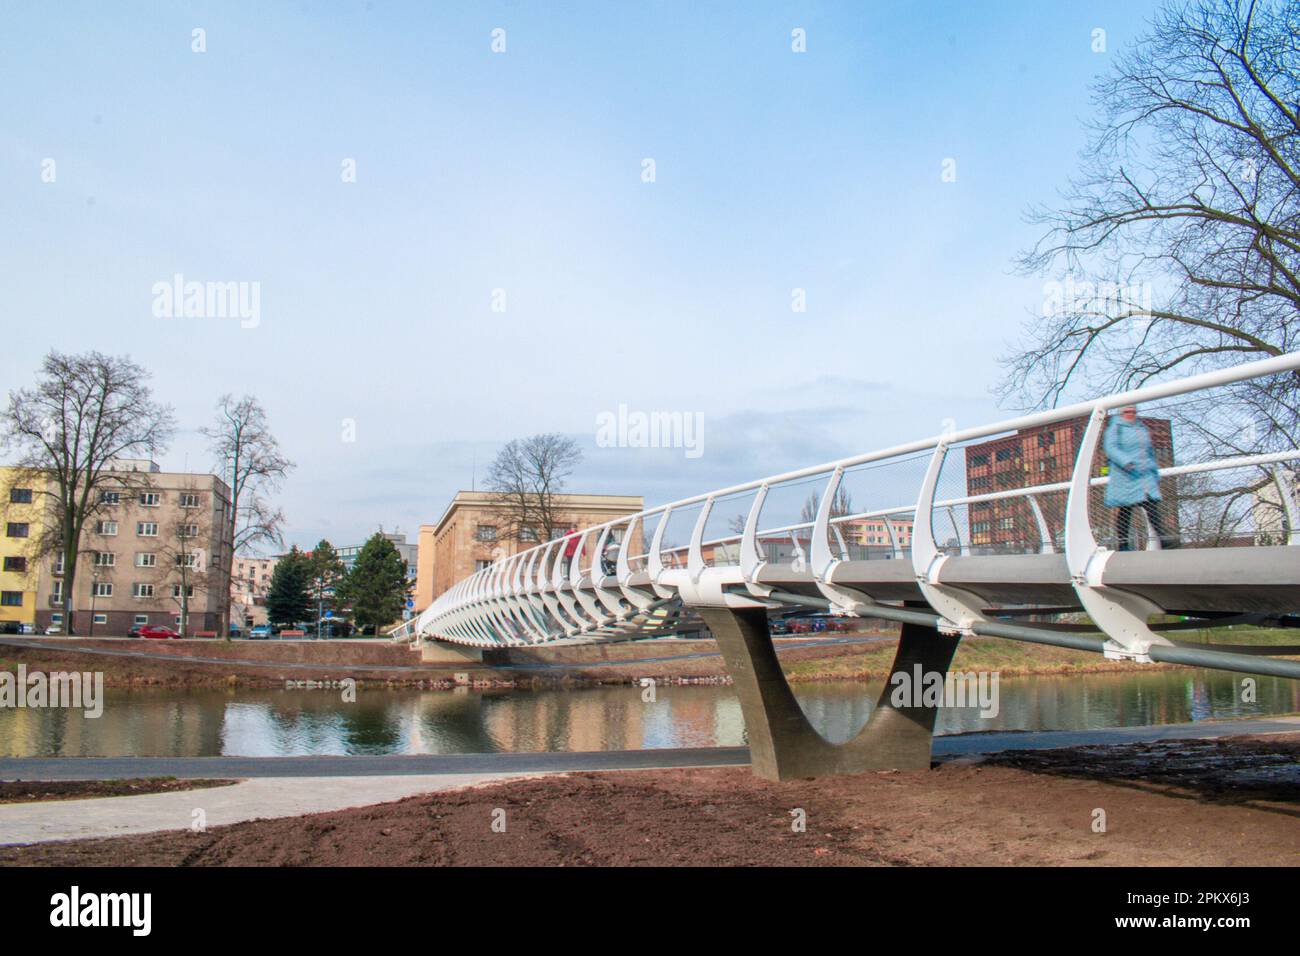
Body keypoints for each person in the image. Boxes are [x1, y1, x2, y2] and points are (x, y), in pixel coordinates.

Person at [1103, 405, 1179, 551]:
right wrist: (1126, 462)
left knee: (1151, 506)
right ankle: (1124, 543)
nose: (1130, 414)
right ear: (1121, 413)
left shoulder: (1141, 428)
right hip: (1126, 475)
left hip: (1144, 476)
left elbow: (1148, 451)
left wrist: (1154, 472)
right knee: (1126, 509)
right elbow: (1110, 448)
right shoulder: (1115, 428)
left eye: (1133, 412)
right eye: (1127, 412)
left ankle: (1162, 539)